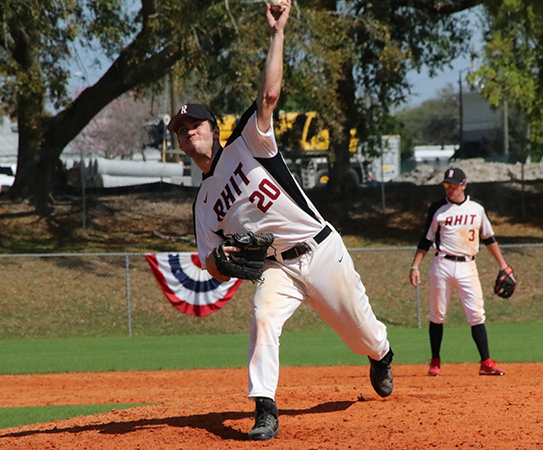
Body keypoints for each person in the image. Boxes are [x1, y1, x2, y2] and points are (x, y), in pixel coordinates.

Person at [167, 0, 393, 441]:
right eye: (180, 128)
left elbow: (269, 95)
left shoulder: (247, 143)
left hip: (320, 249)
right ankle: (265, 408)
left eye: (195, 123)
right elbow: (207, 260)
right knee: (263, 318)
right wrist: (221, 258)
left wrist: (277, 34)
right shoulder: (202, 203)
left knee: (362, 334)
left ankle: (381, 355)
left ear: (214, 128)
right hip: (275, 268)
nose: (188, 130)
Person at [408, 168, 511, 377]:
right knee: (437, 315)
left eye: (453, 185)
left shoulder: (477, 208)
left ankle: (486, 363)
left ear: (464, 185)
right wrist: (415, 265)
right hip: (442, 265)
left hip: (468, 266)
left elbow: (488, 238)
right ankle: (435, 362)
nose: (449, 189)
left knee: (476, 314)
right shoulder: (438, 208)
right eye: (447, 185)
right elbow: (426, 239)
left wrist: (503, 265)